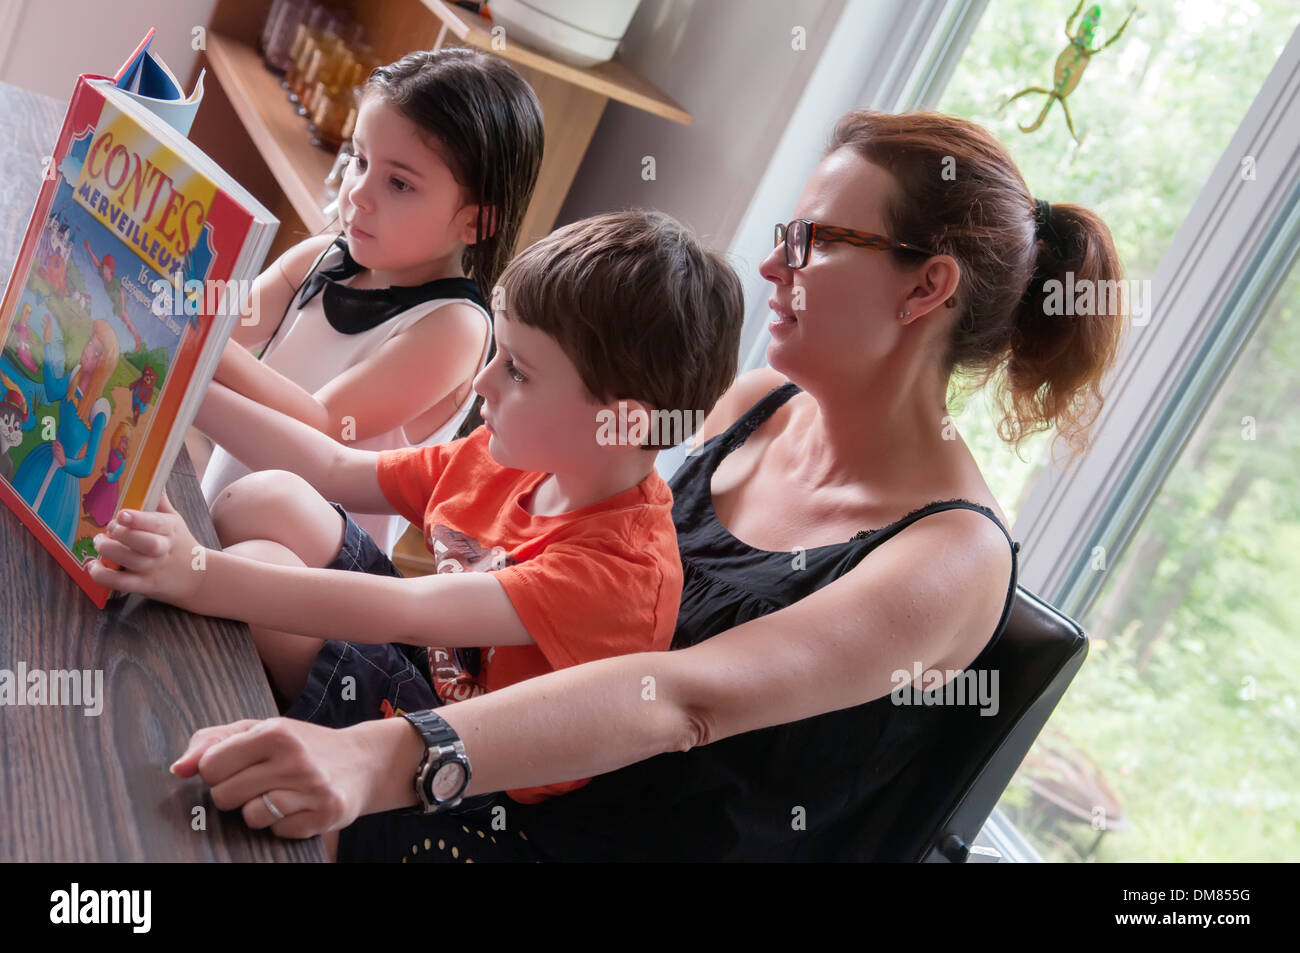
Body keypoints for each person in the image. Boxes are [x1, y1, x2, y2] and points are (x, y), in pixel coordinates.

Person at [157, 108, 1123, 862]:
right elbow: (599, 558)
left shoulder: (950, 556)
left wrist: (377, 757)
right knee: (246, 564)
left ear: (925, 290)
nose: (771, 262)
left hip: (576, 841)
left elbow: (681, 699)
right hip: (498, 740)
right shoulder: (757, 402)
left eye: (819, 240)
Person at [88, 209, 745, 807]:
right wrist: (181, 377)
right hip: (427, 663)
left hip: (458, 771)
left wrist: (197, 571)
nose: (483, 382)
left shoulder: (619, 572)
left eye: (517, 371)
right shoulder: (507, 450)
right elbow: (333, 466)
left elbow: (404, 608)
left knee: (251, 561)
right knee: (268, 498)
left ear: (620, 425)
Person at [199, 48, 545, 557]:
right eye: (360, 160)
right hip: (217, 523)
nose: (358, 193)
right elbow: (226, 324)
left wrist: (191, 331)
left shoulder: (453, 327)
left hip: (297, 575)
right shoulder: (320, 257)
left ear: (478, 222)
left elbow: (320, 422)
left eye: (399, 183)